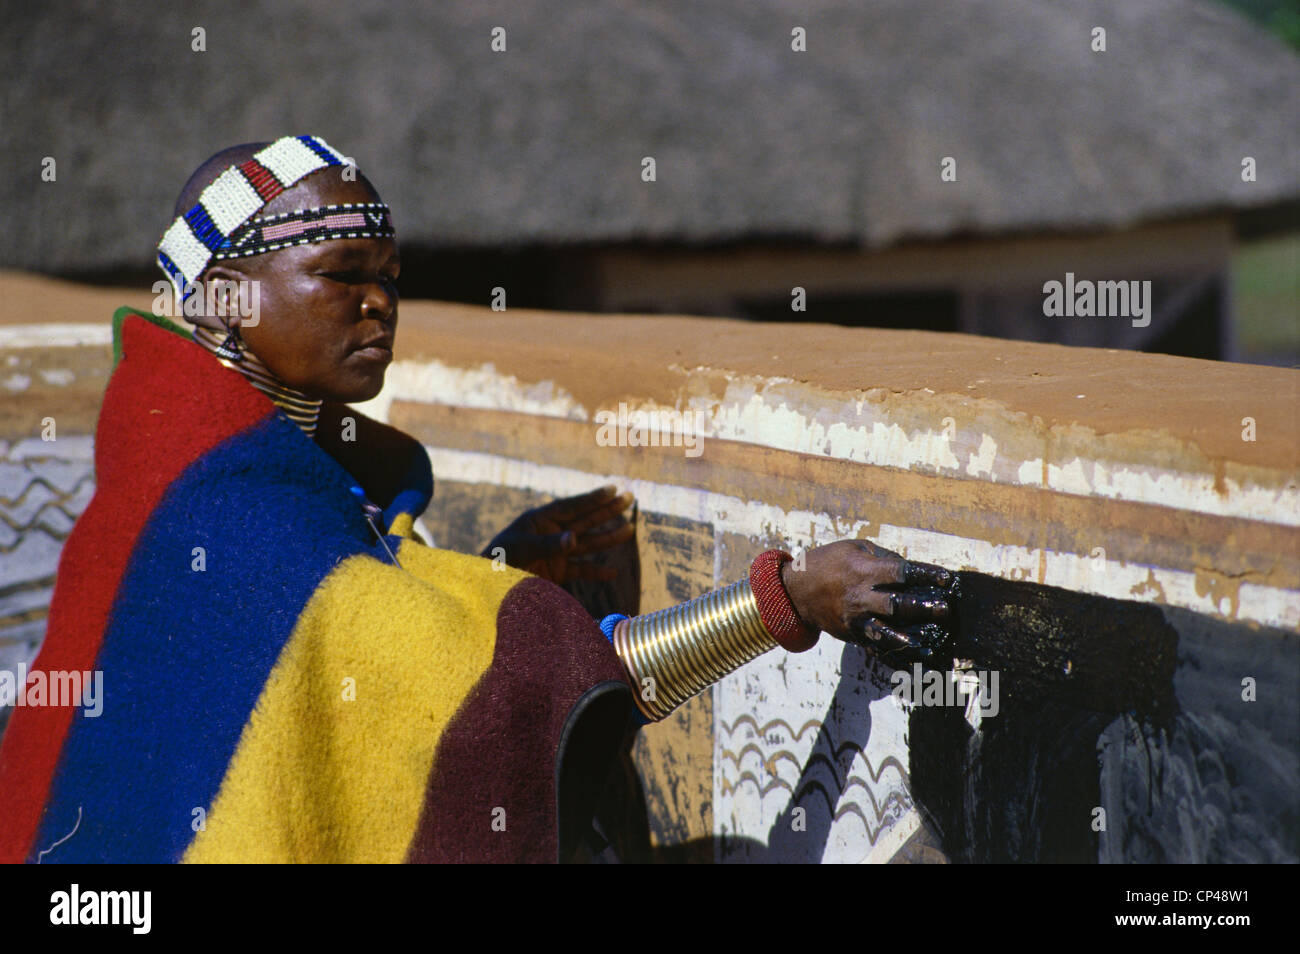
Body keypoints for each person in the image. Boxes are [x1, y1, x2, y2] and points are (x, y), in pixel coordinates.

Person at [0, 135, 955, 863]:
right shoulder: (240, 517)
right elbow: (528, 691)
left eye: (388, 280)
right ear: (220, 298)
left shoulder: (179, 466)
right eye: (340, 276)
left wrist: (489, 578)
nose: (379, 306)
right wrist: (783, 598)